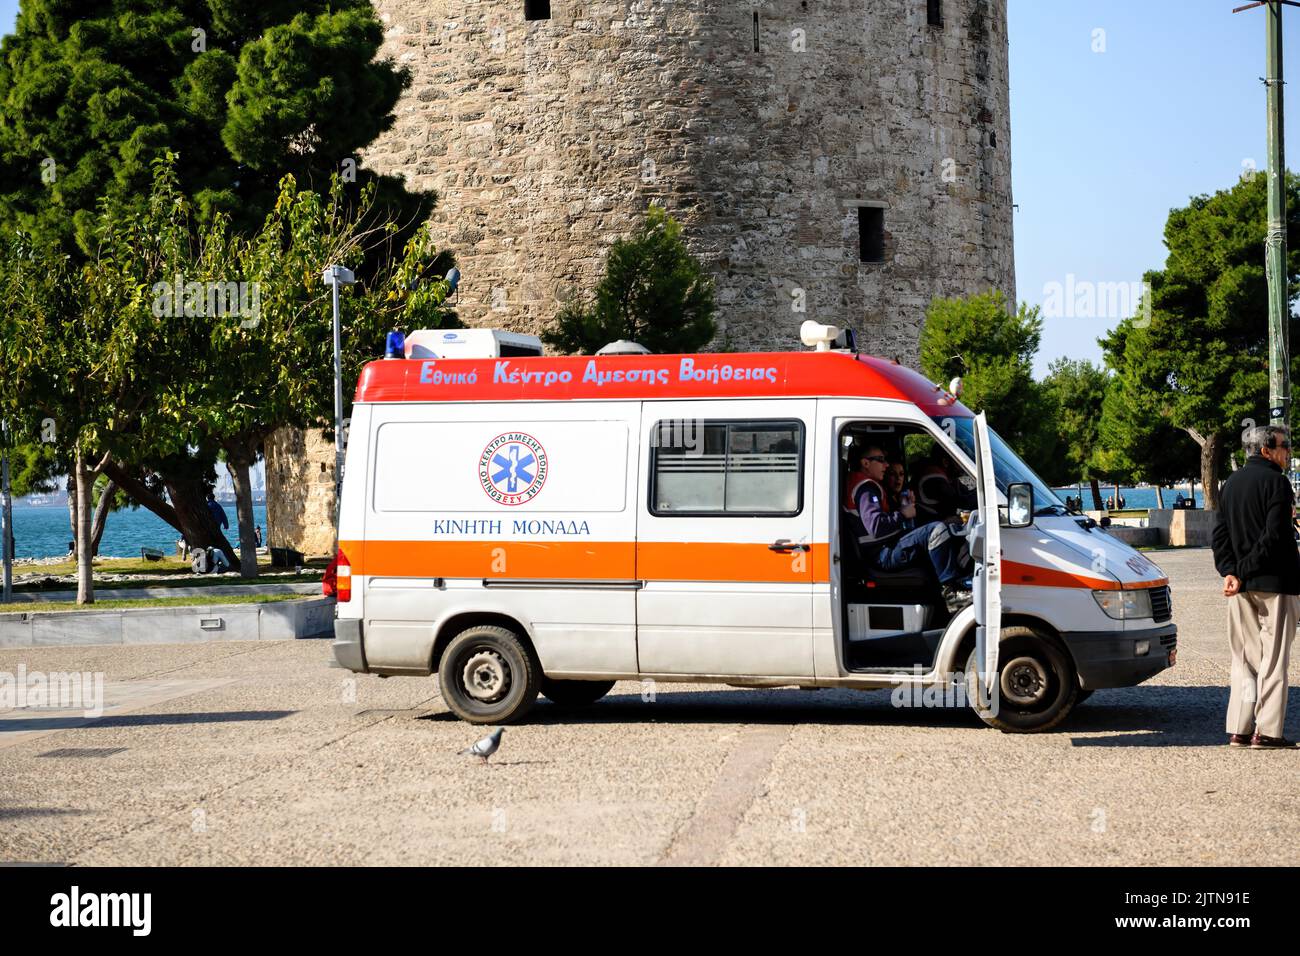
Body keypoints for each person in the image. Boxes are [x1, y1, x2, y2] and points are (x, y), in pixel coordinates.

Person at [1211, 424, 1299, 750]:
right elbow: (1274, 535)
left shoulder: (1230, 484)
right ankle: (1268, 731)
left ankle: (1240, 728)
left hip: (1239, 587)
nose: (1287, 451)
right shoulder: (1277, 483)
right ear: (1266, 450)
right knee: (1273, 660)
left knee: (1245, 659)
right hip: (1276, 582)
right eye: (1283, 445)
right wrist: (1243, 572)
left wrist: (1230, 572)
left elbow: (1219, 535)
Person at [849, 443, 972, 610]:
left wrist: (903, 509)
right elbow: (876, 527)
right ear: (865, 463)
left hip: (882, 548)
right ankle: (951, 594)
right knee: (938, 530)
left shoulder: (866, 486)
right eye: (881, 460)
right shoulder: (866, 488)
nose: (885, 465)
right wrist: (903, 514)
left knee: (935, 533)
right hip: (881, 553)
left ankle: (942, 597)